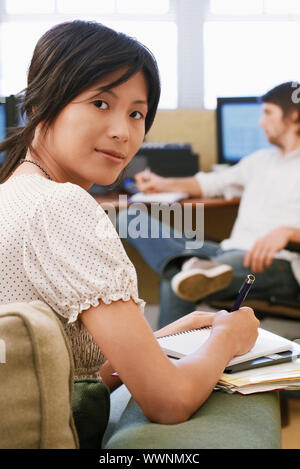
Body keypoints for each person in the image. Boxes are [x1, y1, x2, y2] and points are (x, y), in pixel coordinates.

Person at [0, 20, 259, 441]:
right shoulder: (62, 205)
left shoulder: (13, 194)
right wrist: (228, 339)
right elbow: (168, 400)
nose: (123, 131)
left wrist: (160, 339)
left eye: (136, 113)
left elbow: (52, 375)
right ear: (40, 102)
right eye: (101, 103)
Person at [118, 82, 300, 328]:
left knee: (177, 279)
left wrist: (289, 232)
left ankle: (168, 361)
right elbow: (212, 183)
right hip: (227, 251)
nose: (261, 122)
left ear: (294, 116)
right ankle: (188, 263)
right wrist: (160, 183)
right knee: (127, 220)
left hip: (278, 263)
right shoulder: (260, 161)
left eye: (268, 113)